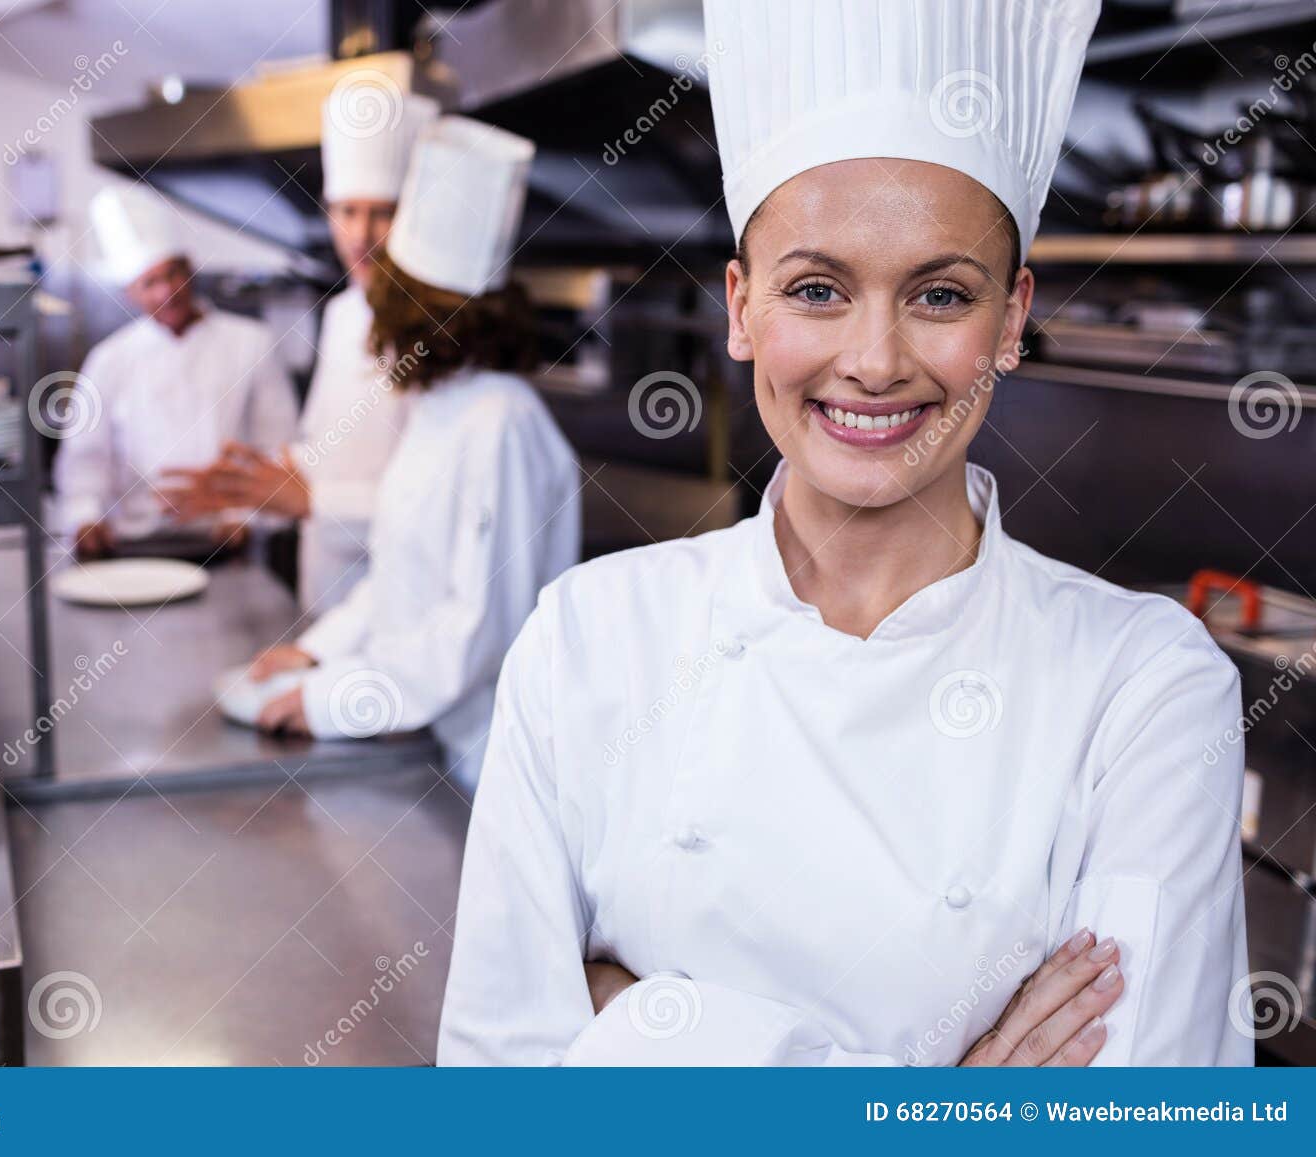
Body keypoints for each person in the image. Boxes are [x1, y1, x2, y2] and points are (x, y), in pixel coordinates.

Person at [438, 0, 1251, 1066]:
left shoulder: (1144, 686)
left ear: (1010, 319)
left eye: (940, 294)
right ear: (739, 307)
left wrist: (639, 1026)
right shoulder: (588, 636)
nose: (873, 359)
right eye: (815, 289)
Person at [243, 116, 581, 793]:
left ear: (426, 319)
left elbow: (475, 634)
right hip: (426, 743)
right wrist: (319, 650)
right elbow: (400, 572)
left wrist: (333, 698)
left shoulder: (500, 424)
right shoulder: (438, 409)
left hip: (488, 766)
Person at [164, 88, 438, 611]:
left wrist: (315, 499)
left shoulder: (438, 331)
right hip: (326, 580)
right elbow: (331, 443)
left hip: (398, 590)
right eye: (347, 211)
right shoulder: (340, 314)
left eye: (382, 213)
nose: (361, 235)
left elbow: (437, 496)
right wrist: (253, 479)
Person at [53, 183, 299, 559]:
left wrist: (246, 515)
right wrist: (85, 517)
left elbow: (278, 443)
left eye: (173, 274)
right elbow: (85, 458)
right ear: (129, 293)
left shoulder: (252, 342)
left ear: (191, 270)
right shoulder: (109, 360)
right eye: (149, 283)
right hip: (131, 545)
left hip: (226, 540)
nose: (166, 291)